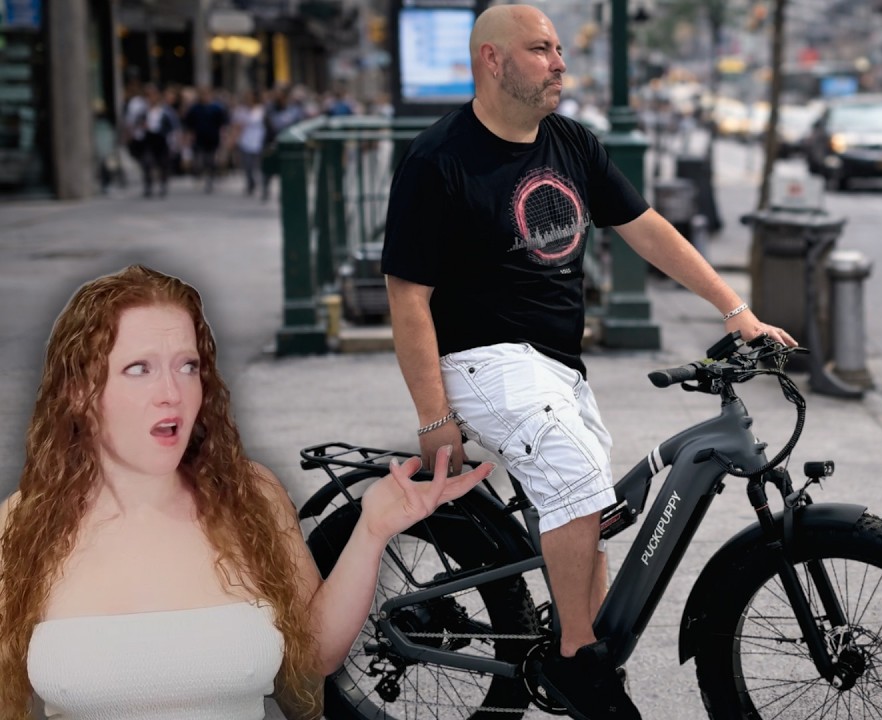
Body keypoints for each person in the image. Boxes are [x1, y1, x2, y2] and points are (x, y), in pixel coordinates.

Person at [379, 5, 795, 719]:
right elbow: (407, 297)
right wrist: (433, 417)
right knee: (574, 477)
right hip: (483, 360)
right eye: (541, 49)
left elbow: (648, 229)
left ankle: (589, 649)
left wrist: (735, 309)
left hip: (557, 365)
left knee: (587, 506)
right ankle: (580, 665)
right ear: (492, 60)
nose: (560, 63)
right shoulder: (438, 159)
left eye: (560, 49)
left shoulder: (570, 142)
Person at [0, 265, 494, 718]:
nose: (172, 393)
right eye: (139, 369)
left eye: (187, 366)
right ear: (79, 391)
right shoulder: (21, 526)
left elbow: (314, 653)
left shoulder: (249, 496)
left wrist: (372, 530)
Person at [183, 86, 230, 193]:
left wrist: (225, 136)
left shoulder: (216, 108)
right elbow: (188, 123)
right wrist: (188, 135)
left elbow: (224, 123)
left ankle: (210, 179)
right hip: (199, 138)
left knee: (210, 160)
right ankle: (200, 175)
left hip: (212, 138)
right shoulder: (195, 108)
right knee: (200, 159)